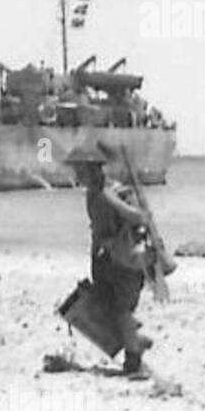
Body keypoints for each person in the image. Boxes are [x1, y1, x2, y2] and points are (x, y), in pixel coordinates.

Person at [66, 142, 153, 377]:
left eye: (79, 169)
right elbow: (97, 231)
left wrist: (109, 198)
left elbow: (140, 218)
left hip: (126, 261)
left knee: (121, 311)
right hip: (106, 261)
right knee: (103, 308)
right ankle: (134, 341)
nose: (77, 175)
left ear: (93, 169)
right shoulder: (91, 196)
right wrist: (94, 261)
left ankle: (133, 361)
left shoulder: (116, 192)